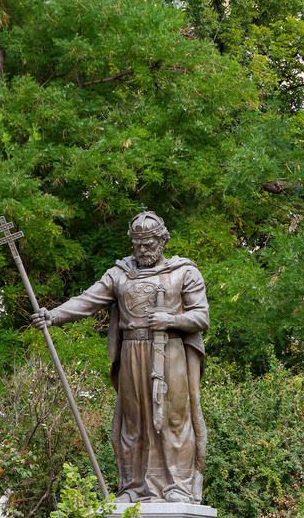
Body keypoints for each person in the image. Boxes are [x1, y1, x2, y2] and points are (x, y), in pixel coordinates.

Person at [31, 212, 209, 502]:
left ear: (163, 240)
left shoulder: (184, 272)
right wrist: (52, 316)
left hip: (170, 351)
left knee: (172, 418)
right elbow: (87, 301)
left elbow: (201, 316)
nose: (143, 250)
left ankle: (177, 486)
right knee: (134, 420)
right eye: (138, 244)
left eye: (149, 243)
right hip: (132, 352)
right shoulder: (120, 274)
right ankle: (133, 487)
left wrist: (170, 318)